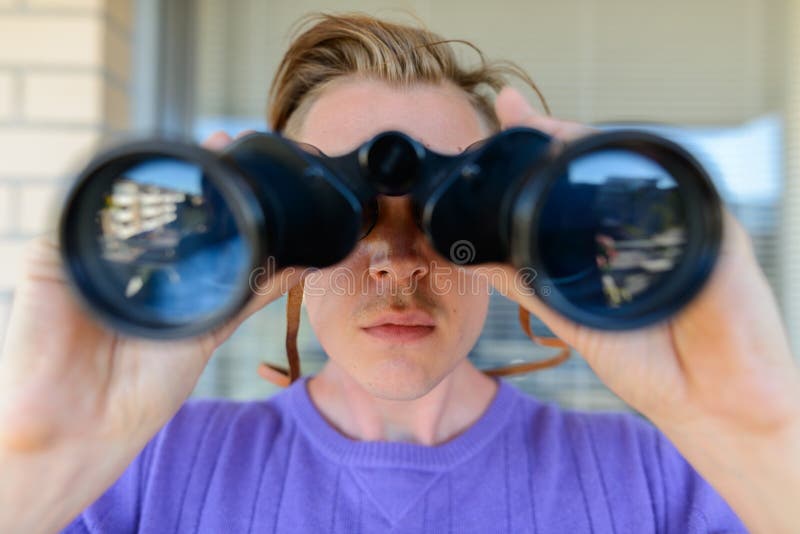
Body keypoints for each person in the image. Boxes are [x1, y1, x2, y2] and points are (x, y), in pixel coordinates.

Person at [1, 12, 798, 534]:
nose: (397, 264)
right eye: (340, 214)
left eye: (446, 215)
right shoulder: (140, 472)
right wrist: (35, 461)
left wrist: (760, 434)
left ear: (505, 237)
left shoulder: (662, 479)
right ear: (286, 238)